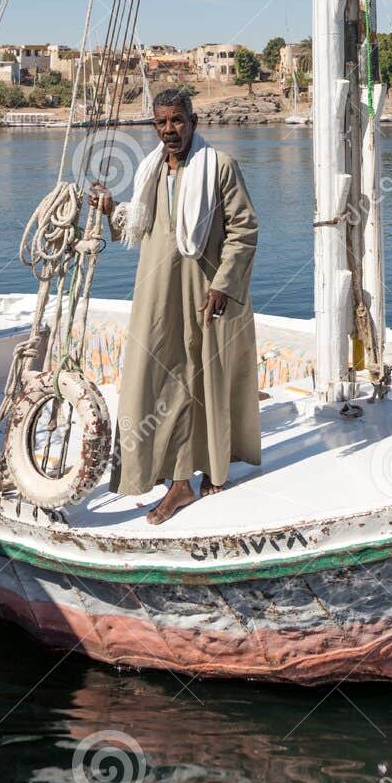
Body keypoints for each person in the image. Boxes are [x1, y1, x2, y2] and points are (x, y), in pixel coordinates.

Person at [89, 88, 261, 525]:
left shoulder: (219, 167)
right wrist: (111, 209)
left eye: (177, 121)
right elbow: (140, 225)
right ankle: (177, 473)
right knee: (161, 378)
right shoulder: (150, 171)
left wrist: (223, 285)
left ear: (193, 121)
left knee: (200, 376)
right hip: (157, 293)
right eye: (162, 122)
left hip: (205, 293)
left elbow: (244, 231)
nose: (170, 130)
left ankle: (187, 481)